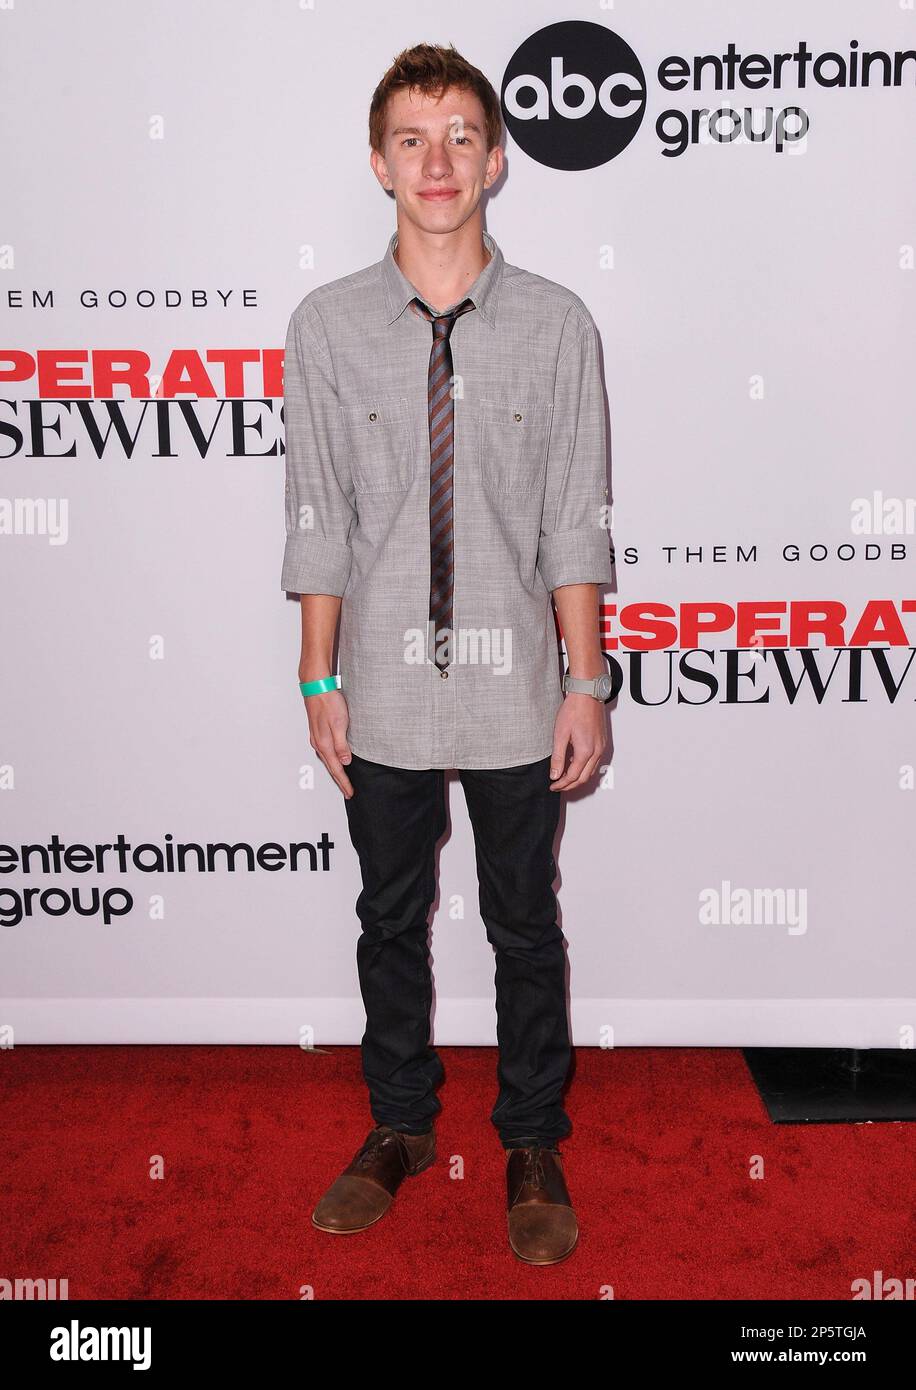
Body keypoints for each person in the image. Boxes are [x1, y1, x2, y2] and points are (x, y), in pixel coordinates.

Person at [281, 42, 613, 1266]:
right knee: (388, 915)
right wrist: (318, 678)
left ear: (498, 161)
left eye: (461, 136)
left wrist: (587, 681)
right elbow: (316, 518)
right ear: (379, 163)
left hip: (520, 687)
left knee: (524, 923)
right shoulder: (323, 328)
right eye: (413, 138)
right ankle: (400, 1127)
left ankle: (529, 1136)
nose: (437, 160)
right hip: (378, 682)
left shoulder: (558, 324)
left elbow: (575, 518)